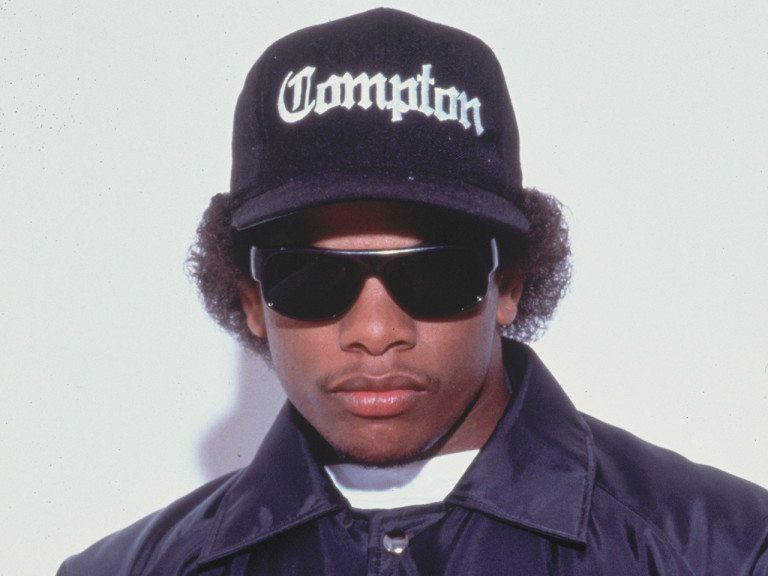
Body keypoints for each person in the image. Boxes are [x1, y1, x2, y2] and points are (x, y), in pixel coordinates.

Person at [58, 8, 768, 575]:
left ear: (509, 284)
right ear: (250, 298)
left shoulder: (729, 552)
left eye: (434, 275)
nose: (375, 332)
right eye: (313, 278)